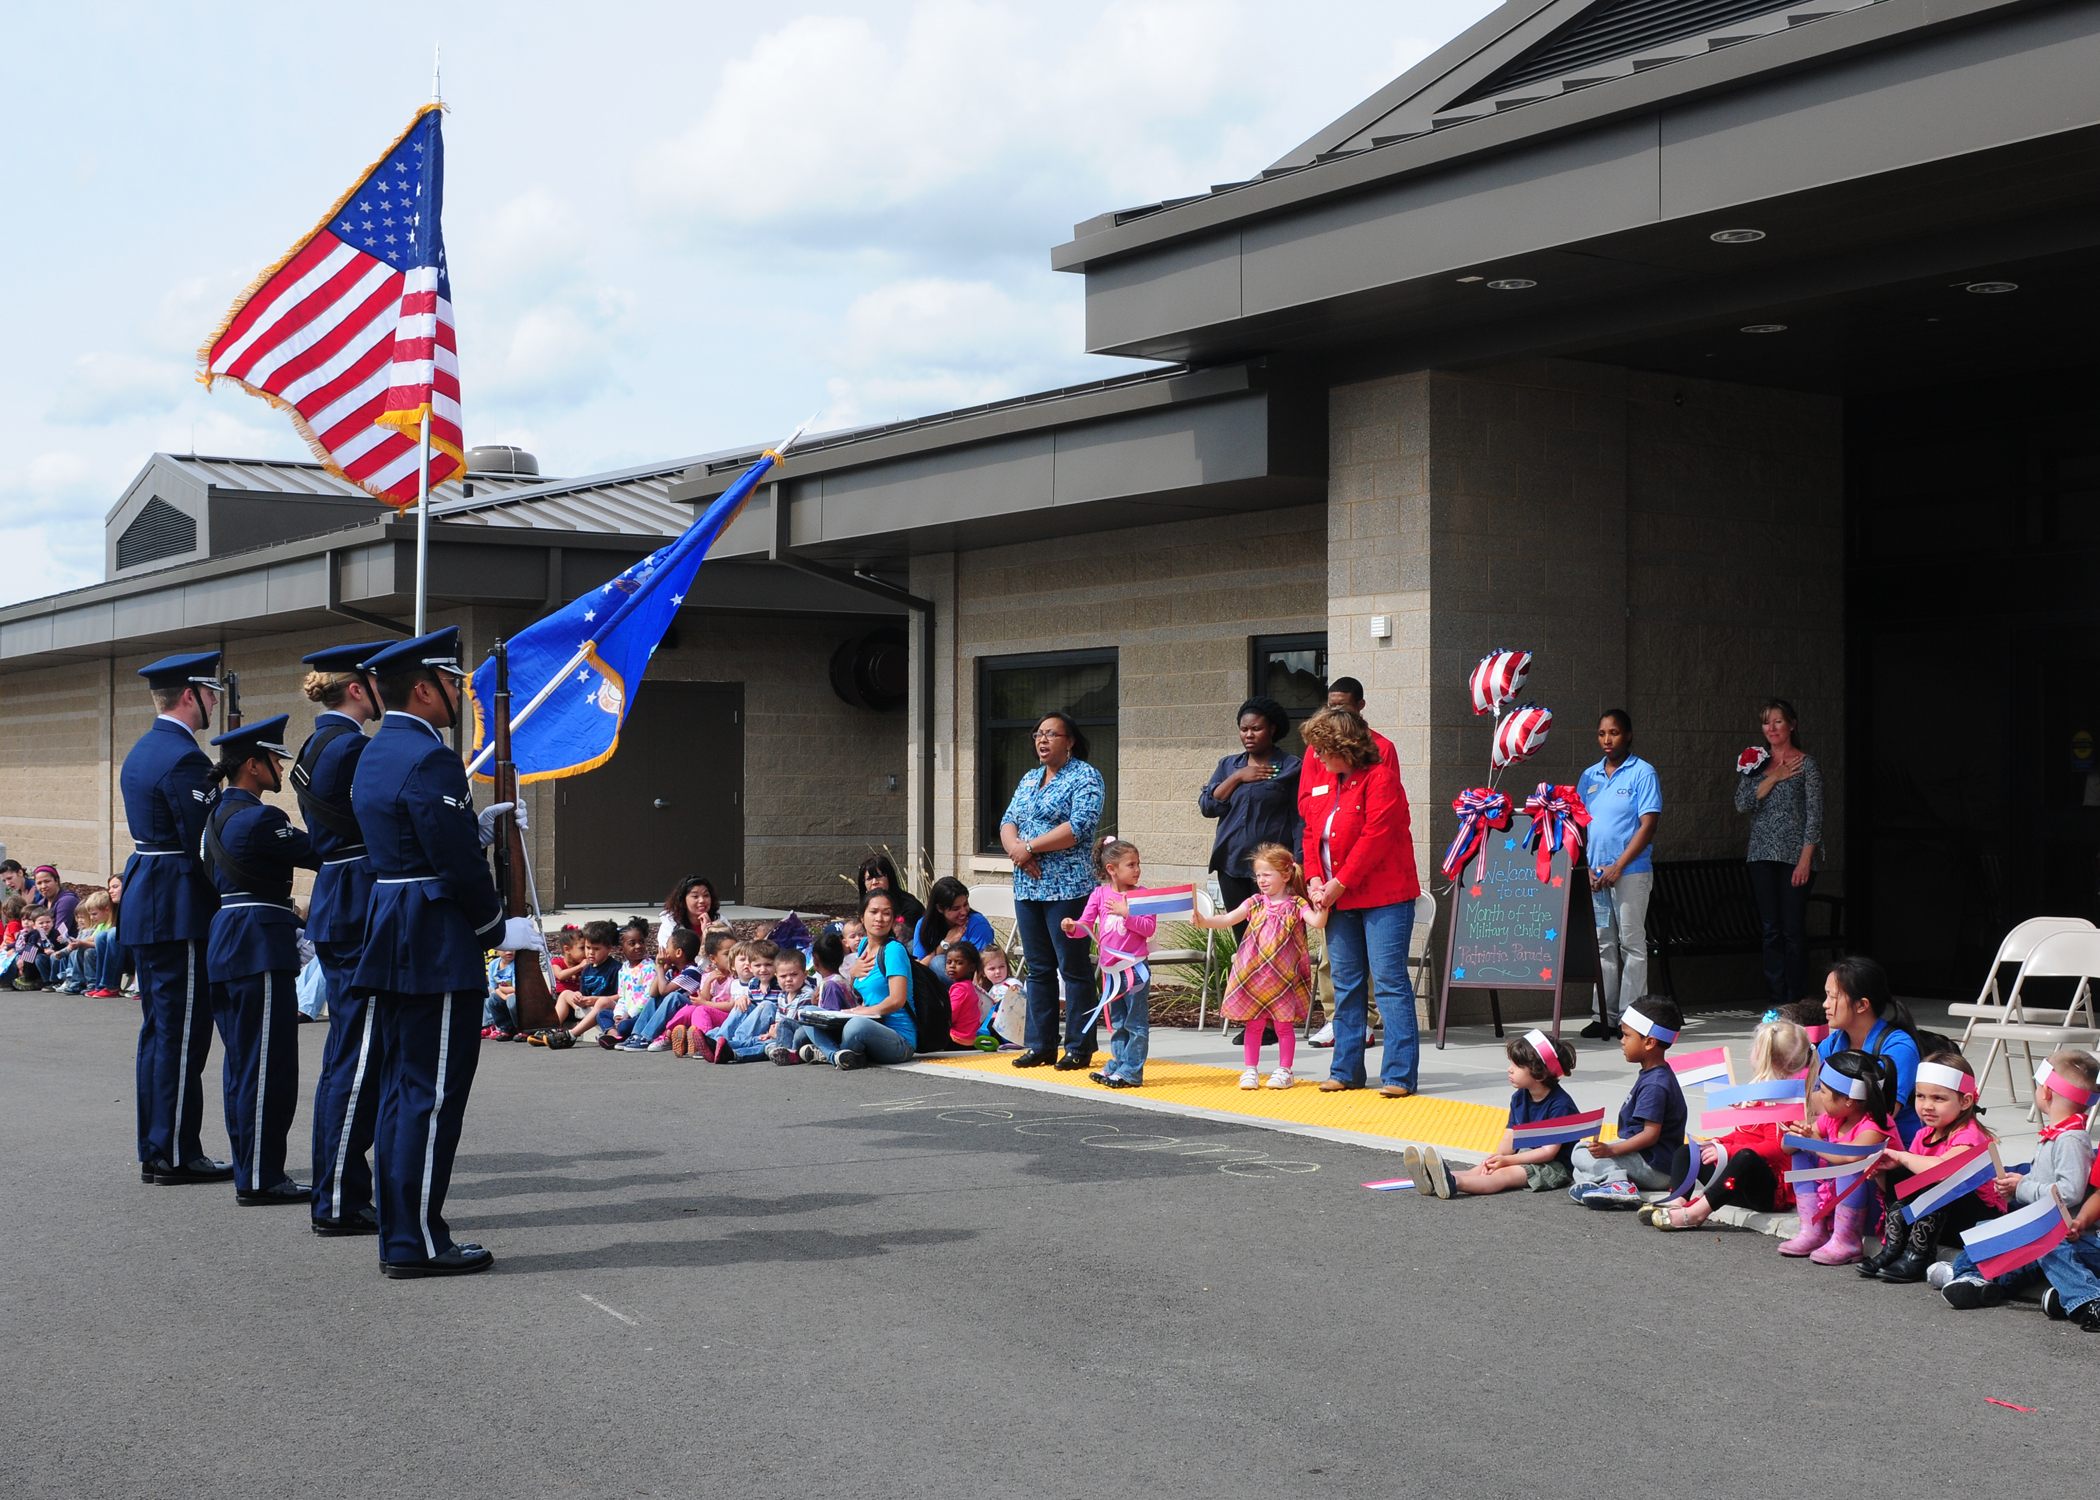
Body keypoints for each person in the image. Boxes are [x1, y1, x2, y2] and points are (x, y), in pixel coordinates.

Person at [351, 627, 541, 1278]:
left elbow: (421, 836)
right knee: (431, 1095)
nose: (463, 695)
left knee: (406, 1090)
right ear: (426, 689)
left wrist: (476, 824)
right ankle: (417, 1242)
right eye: (454, 684)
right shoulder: (429, 759)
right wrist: (496, 928)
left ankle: (404, 1234)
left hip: (395, 927)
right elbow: (453, 863)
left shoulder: (378, 752)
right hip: (431, 937)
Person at [122, 652, 235, 1188]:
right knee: (183, 1034)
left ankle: (158, 1145)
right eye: (211, 692)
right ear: (190, 694)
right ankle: (173, 1152)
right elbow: (207, 846)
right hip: (179, 907)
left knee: (161, 1032)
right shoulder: (185, 759)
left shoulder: (144, 749)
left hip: (152, 899)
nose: (215, 701)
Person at [198, 716, 321, 1205]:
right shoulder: (262, 819)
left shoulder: (215, 818)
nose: (280, 768)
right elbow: (320, 852)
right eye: (275, 759)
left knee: (243, 1065)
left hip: (227, 939)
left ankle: (251, 1167)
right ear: (253, 765)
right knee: (270, 1066)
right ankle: (261, 1177)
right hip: (258, 945)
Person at [293, 639, 391, 1236]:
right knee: (358, 1060)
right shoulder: (351, 746)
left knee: (346, 1057)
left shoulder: (314, 744)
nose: (384, 692)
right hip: (358, 897)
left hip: (338, 893)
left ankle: (341, 1190)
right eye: (377, 682)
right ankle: (337, 1199)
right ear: (357, 688)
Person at [1296, 706, 1421, 1097]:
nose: (1315, 757)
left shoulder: (1381, 779)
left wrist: (1337, 884)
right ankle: (1345, 1070)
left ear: (1342, 747)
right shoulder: (1327, 782)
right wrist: (1315, 878)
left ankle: (1399, 1075)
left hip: (1384, 896)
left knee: (1388, 983)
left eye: (1321, 749)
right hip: (1337, 894)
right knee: (1346, 983)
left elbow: (1375, 839)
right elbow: (1312, 833)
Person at [1936, 1049, 2097, 1309]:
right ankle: (1974, 1278)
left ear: (2045, 1092)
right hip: (2042, 1226)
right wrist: (2017, 1185)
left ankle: (1971, 1277)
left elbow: (2068, 1193)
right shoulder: (2060, 1135)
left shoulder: (2070, 1139)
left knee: (2014, 1244)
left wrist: (2022, 1186)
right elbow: (2046, 1181)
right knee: (1985, 1230)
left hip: (2058, 1233)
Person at [998, 710, 1106, 1070]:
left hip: (1068, 887)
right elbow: (1008, 821)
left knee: (1073, 968)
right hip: (1028, 886)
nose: (1042, 740)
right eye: (1037, 734)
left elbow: (1079, 827)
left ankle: (1079, 1046)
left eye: (1051, 734)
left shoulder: (1086, 777)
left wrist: (1029, 848)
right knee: (1039, 968)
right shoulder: (1030, 778)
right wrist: (1017, 849)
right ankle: (1041, 1044)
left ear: (1070, 741)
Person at [1645, 1013, 1814, 1231]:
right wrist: (1718, 1142)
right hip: (1733, 1185)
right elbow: (1743, 1135)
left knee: (1745, 1157)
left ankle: (1698, 1212)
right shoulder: (1757, 1093)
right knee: (1689, 1152)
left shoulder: (1782, 1099)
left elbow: (1774, 1147)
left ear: (1763, 1056)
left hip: (1767, 1191)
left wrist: (1729, 1150)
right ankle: (1678, 1200)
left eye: (1755, 1047)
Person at [1861, 1042, 2006, 1282]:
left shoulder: (1968, 1135)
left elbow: (1942, 1172)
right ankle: (1895, 1248)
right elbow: (1904, 1190)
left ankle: (1919, 1255)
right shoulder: (1924, 1135)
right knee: (1902, 1173)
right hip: (1940, 1221)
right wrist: (1882, 1174)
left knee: (1934, 1179)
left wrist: (1902, 1156)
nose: (1927, 1105)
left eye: (1938, 1098)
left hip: (1976, 1222)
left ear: (1966, 1101)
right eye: (1920, 1096)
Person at [1196, 842, 1327, 1090]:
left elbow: (1318, 922)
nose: (1261, 881)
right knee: (1253, 1024)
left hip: (1283, 978)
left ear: (1286, 874)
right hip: (1253, 976)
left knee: (1283, 1025)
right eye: (1258, 876)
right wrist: (1204, 921)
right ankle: (1250, 1070)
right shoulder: (1255, 902)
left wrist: (1323, 906)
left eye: (1267, 875)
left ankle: (1285, 1070)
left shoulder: (1297, 904)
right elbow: (1227, 918)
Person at [1410, 1029, 1579, 1198]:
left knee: (1503, 1175)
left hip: (1556, 1166)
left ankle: (1454, 1183)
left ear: (1540, 1073)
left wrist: (1507, 1161)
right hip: (1527, 1153)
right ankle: (1435, 1178)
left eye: (1517, 1065)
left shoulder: (1560, 1106)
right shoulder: (1520, 1097)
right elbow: (1510, 1137)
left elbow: (1548, 1152)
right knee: (1482, 1169)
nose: (1509, 1069)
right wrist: (1498, 1157)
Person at [1735, 698, 1824, 1004]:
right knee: (1771, 929)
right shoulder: (1754, 762)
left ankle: (1796, 998)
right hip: (1761, 854)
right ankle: (1777, 999)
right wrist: (1774, 776)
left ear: (1791, 725)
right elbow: (1742, 803)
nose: (1771, 728)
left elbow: (1815, 815)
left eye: (1778, 721)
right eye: (1766, 722)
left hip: (1794, 857)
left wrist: (1805, 859)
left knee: (1792, 929)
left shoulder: (1806, 764)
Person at [1580, 709, 1661, 1040]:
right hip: (1596, 874)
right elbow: (1578, 824)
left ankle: (1632, 1020)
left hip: (1630, 872)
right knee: (1603, 944)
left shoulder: (1643, 773)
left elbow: (1648, 825)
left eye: (1613, 733)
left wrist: (1619, 865)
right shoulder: (1590, 776)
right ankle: (1605, 1016)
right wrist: (1585, 866)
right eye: (1601, 733)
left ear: (1628, 735)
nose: (1607, 740)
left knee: (1631, 943)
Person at [1775, 1048, 1898, 1263]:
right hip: (1836, 1205)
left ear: (1848, 1100)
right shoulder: (1834, 1118)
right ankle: (1812, 1230)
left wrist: (1812, 1141)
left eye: (1823, 1092)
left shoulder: (1877, 1125)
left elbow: (1850, 1156)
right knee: (1801, 1153)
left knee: (1851, 1163)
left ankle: (1848, 1241)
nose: (1819, 1098)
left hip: (1875, 1213)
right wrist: (1798, 1136)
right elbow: (1787, 1147)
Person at [1198, 696, 1304, 939]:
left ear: (1272, 729)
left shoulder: (1290, 767)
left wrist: (1299, 862)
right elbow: (1208, 807)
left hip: (1273, 869)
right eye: (1244, 729)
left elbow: (1300, 820)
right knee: (1243, 938)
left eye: (1256, 729)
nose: (1249, 735)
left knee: (1274, 938)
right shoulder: (1228, 766)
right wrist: (1238, 777)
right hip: (1231, 863)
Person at [1569, 1000, 1689, 1209]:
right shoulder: (1656, 1075)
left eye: (1627, 1035)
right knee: (1581, 1165)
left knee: (1580, 1151)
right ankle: (1604, 1188)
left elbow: (1650, 1135)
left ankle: (1619, 1185)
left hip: (1656, 1167)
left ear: (1649, 1042)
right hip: (1654, 1163)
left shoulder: (1655, 1085)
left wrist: (1611, 1151)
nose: (1622, 1041)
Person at [1062, 837, 1157, 1088]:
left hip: (1134, 969)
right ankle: (1118, 1064)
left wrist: (1127, 914)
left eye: (1138, 864)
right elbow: (1085, 925)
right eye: (1131, 865)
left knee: (1135, 1023)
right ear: (1111, 870)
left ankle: (1132, 1072)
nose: (1137, 870)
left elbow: (1148, 928)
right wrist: (1072, 927)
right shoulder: (1099, 894)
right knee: (1117, 1022)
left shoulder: (1143, 896)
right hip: (1111, 970)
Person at [795, 889, 916, 1069]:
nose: (879, 918)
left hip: (898, 1038)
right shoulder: (864, 946)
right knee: (807, 1015)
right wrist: (852, 975)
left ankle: (826, 1052)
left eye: (886, 913)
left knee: (855, 1027)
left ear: (892, 919)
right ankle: (836, 1055)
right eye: (873, 912)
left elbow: (898, 999)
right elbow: (858, 993)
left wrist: (866, 1011)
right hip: (867, 1022)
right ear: (862, 916)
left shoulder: (893, 951)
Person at [1817, 956, 1920, 1146]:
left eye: (1833, 997)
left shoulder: (1899, 1048)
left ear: (1862, 1005)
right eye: (1826, 995)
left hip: (1892, 1155)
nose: (1825, 1004)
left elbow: (1881, 1114)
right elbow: (1817, 1100)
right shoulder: (1831, 1044)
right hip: (1839, 1144)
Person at [911, 875, 996, 969]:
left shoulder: (978, 924)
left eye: (965, 904)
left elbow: (981, 967)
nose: (964, 912)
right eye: (956, 908)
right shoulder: (925, 925)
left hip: (968, 981)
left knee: (937, 963)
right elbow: (918, 969)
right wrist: (945, 944)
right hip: (931, 980)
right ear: (939, 908)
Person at [559, 921, 622, 1038]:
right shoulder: (587, 969)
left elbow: (621, 996)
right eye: (587, 948)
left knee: (602, 1002)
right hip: (589, 1009)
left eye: (596, 949)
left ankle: (571, 1035)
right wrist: (579, 997)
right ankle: (553, 1027)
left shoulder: (616, 968)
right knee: (565, 994)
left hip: (606, 1011)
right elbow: (583, 994)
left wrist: (596, 1000)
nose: (591, 952)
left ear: (609, 948)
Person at [1322, 678, 1398, 770]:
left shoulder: (1383, 747)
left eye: (1343, 705)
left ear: (1360, 705)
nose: (1336, 711)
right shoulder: (1319, 749)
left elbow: (1390, 782)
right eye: (1332, 706)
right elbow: (1308, 784)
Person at [856, 854, 925, 934]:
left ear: (890, 878)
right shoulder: (866, 906)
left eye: (879, 876)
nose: (874, 882)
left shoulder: (910, 908)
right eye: (869, 878)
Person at [941, 941, 990, 1048]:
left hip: (958, 1039)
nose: (952, 966)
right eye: (949, 962)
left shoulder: (960, 988)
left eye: (959, 963)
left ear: (972, 967)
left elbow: (950, 1016)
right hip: (971, 1038)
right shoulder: (969, 986)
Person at [659, 874, 728, 949]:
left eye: (706, 895)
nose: (702, 900)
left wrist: (710, 930)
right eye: (695, 896)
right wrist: (705, 935)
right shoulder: (671, 924)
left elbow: (727, 952)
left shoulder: (720, 921)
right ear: (683, 901)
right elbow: (677, 956)